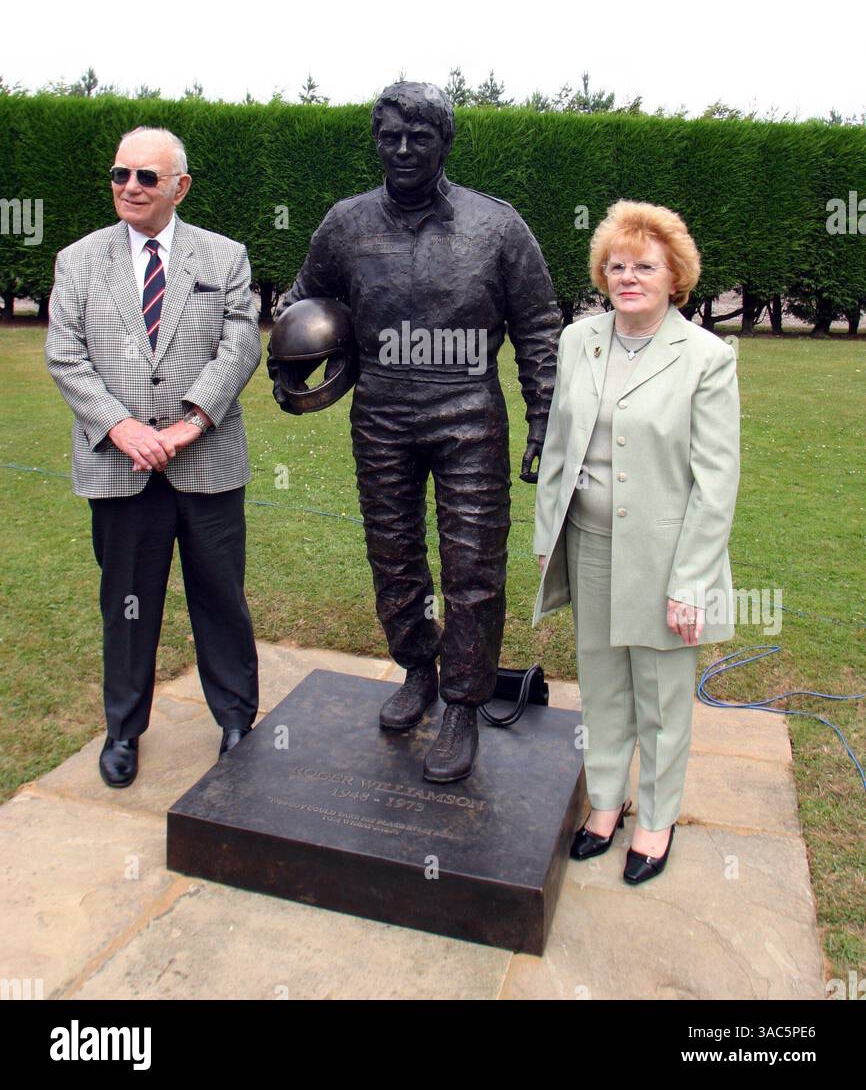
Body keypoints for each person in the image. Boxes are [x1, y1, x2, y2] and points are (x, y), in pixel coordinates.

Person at [270, 82, 561, 783]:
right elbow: (302, 298)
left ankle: (463, 703)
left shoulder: (497, 227)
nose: (402, 149)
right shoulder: (345, 224)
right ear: (376, 141)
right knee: (394, 560)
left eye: (419, 137)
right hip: (383, 416)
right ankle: (417, 670)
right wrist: (298, 352)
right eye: (390, 136)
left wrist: (544, 420)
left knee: (473, 570)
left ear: (444, 143)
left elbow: (540, 327)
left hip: (468, 415)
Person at [45, 127, 261, 787]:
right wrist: (121, 427)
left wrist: (192, 420)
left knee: (220, 597)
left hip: (208, 462)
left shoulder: (223, 258)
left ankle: (235, 721)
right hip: (120, 467)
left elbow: (241, 344)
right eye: (120, 175)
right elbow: (65, 354)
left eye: (145, 177)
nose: (129, 187)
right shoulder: (78, 262)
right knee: (128, 603)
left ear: (180, 187)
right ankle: (123, 730)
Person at [533, 199, 740, 883]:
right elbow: (560, 444)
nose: (628, 277)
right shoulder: (578, 341)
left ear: (674, 276)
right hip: (589, 543)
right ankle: (605, 802)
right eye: (616, 266)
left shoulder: (706, 358)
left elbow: (716, 481)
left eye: (644, 267)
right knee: (601, 687)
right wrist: (546, 534)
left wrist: (692, 582)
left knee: (660, 698)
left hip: (665, 560)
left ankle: (655, 819)